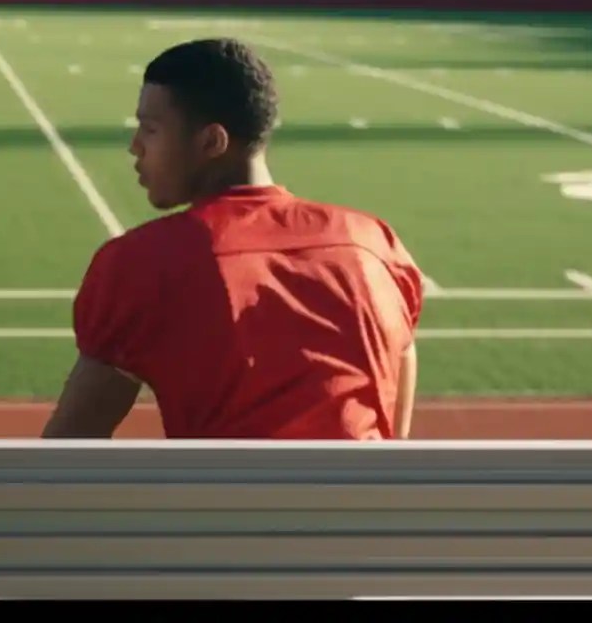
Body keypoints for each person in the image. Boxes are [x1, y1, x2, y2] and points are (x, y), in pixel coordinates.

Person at [42, 38, 423, 440]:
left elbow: (68, 450)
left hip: (224, 501)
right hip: (368, 500)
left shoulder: (143, 262)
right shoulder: (374, 243)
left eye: (150, 129)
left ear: (212, 142)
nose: (135, 146)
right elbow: (401, 368)